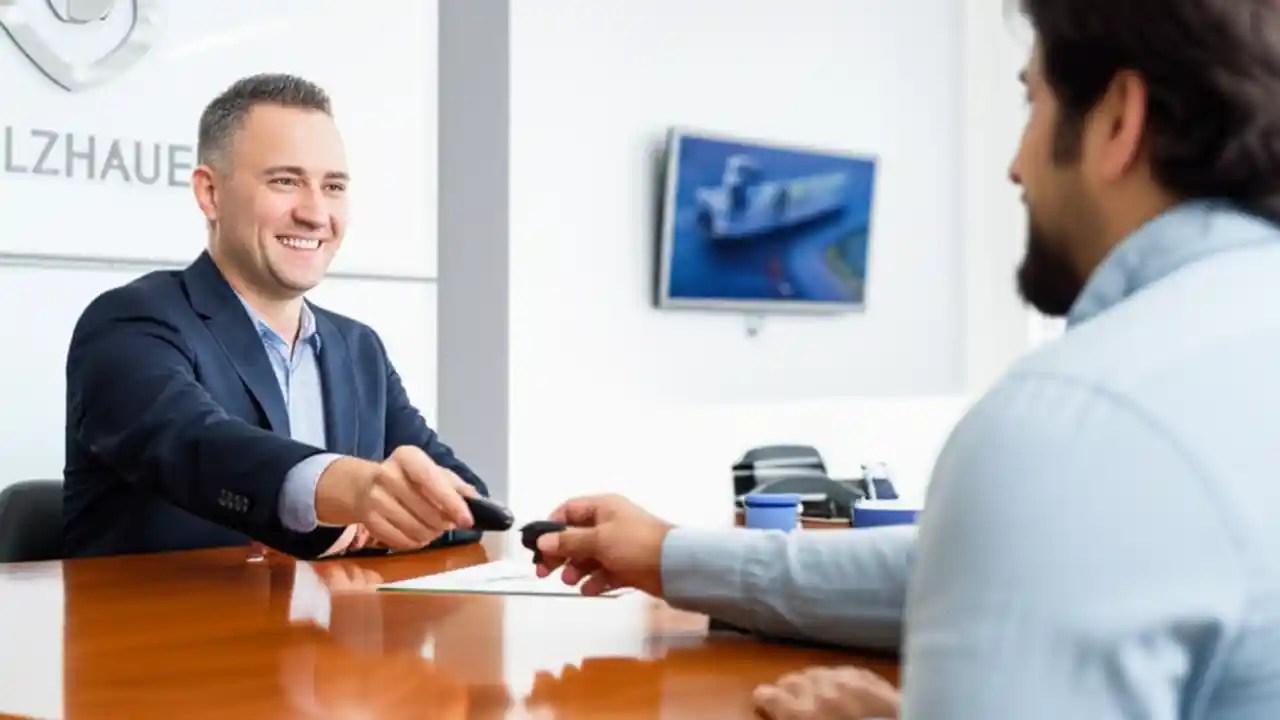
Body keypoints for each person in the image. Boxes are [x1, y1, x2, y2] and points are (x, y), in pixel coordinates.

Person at [534, 0, 1280, 717]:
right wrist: (670, 554)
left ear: (1121, 119)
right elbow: (976, 574)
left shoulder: (1076, 424)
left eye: (1031, 104)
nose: (1016, 167)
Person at [63, 74, 486, 559]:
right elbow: (194, 442)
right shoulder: (130, 323)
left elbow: (464, 501)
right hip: (159, 631)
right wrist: (344, 491)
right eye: (285, 181)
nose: (315, 212)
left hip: (327, 632)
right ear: (210, 193)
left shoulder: (357, 348)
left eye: (333, 186)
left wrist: (390, 517)